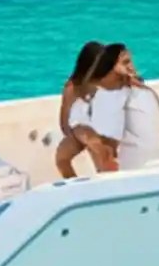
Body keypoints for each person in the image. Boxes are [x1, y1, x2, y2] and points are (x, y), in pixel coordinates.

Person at [76, 42, 142, 172]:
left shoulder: (127, 88)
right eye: (125, 62)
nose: (131, 66)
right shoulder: (96, 94)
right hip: (108, 153)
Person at [54, 41, 103, 179]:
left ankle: (106, 182)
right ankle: (75, 187)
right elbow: (64, 121)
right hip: (80, 131)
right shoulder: (72, 87)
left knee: (99, 151)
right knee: (61, 158)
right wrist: (76, 136)